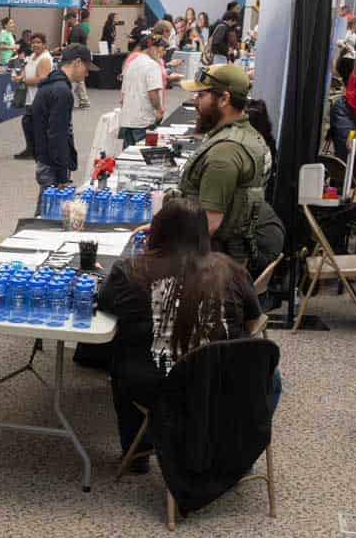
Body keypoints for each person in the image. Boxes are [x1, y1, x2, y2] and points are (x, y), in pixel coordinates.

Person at [96, 198, 276, 472]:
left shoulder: (130, 271)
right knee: (270, 377)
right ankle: (232, 446)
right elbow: (254, 321)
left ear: (155, 231)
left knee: (121, 360)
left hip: (157, 384)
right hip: (223, 381)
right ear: (205, 234)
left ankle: (139, 452)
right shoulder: (231, 269)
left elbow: (105, 305)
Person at [177, 64, 271, 266]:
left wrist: (165, 241)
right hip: (227, 260)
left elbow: (209, 223)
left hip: (210, 265)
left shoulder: (224, 153)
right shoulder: (248, 135)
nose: (195, 102)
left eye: (201, 96)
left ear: (224, 99)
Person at [30, 45, 96, 190]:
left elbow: (29, 121)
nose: (87, 75)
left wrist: (38, 154)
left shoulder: (48, 85)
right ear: (77, 62)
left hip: (45, 159)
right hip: (53, 165)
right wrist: (62, 176)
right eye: (86, 68)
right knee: (49, 210)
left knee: (45, 207)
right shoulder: (62, 92)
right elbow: (58, 134)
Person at [119, 34, 167, 148]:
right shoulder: (152, 66)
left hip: (128, 119)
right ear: (152, 47)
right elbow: (153, 93)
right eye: (161, 49)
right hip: (144, 120)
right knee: (142, 155)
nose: (163, 53)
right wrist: (159, 110)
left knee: (128, 156)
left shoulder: (130, 64)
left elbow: (124, 94)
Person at [14, 32, 53, 161]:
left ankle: (36, 151)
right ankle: (31, 149)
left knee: (33, 123)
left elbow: (42, 79)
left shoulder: (45, 58)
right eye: (33, 42)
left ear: (44, 44)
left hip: (40, 96)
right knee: (29, 123)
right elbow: (26, 70)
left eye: (38, 42)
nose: (35, 45)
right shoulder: (32, 56)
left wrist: (23, 81)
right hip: (30, 96)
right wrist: (20, 77)